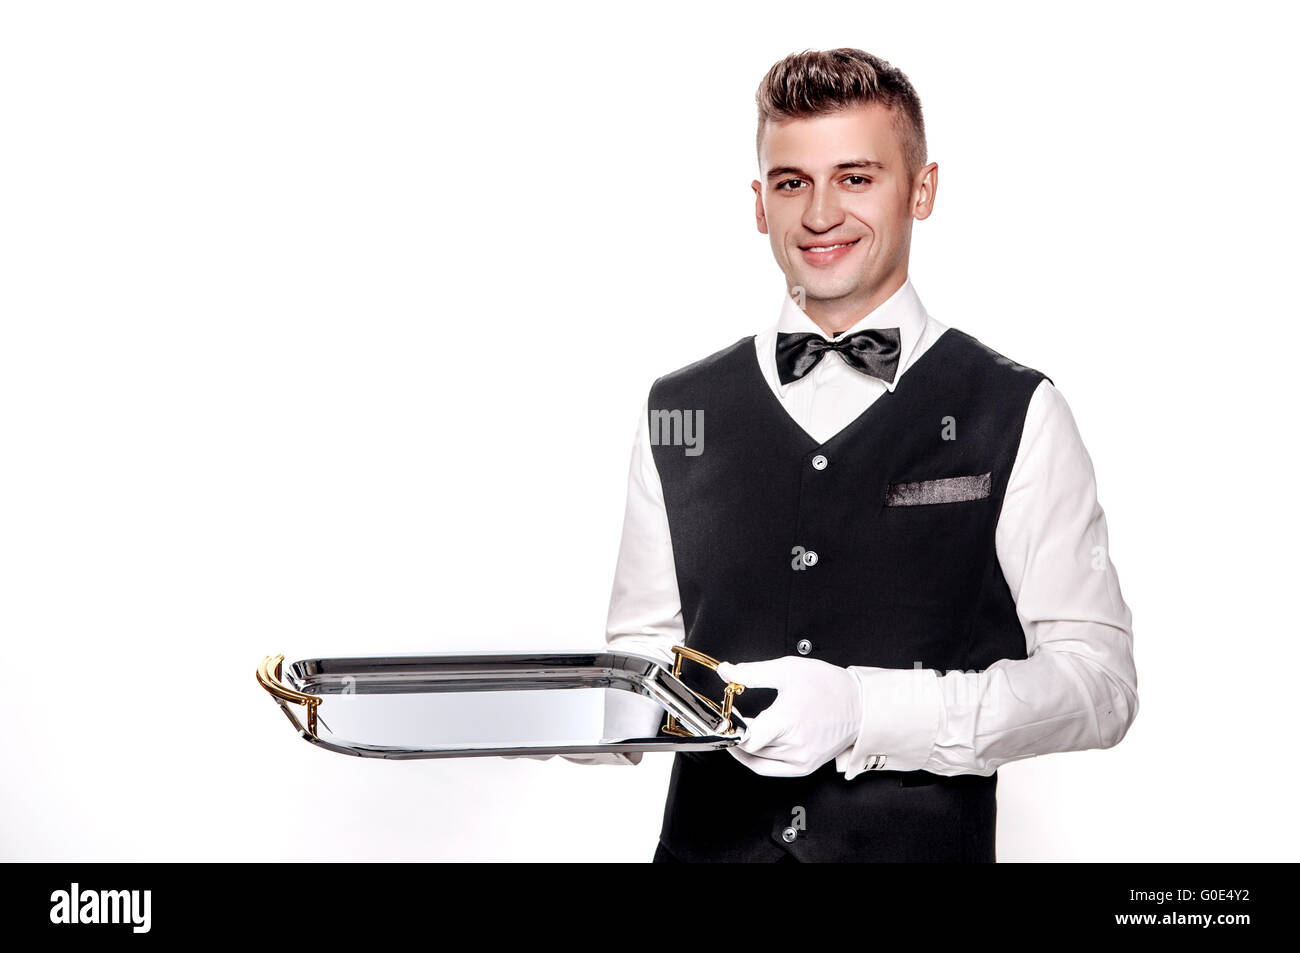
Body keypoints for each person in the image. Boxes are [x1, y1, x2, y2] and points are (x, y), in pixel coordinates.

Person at [593, 47, 1139, 863]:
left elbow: (1101, 687)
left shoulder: (1018, 410)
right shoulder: (677, 409)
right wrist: (560, 710)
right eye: (791, 182)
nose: (819, 214)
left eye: (855, 178)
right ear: (758, 202)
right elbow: (642, 656)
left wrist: (865, 710)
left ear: (921, 190)